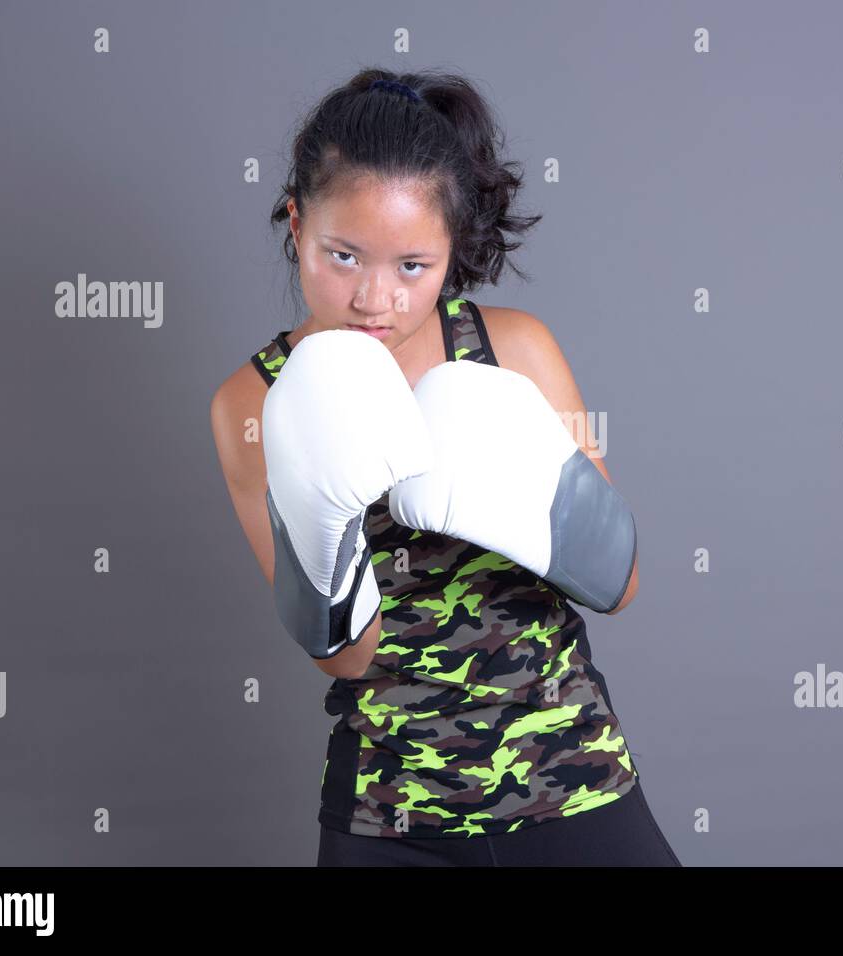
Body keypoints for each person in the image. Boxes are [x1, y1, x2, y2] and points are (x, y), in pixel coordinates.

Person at [210, 69, 679, 867]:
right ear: (297, 224)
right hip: (390, 811)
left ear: (451, 250)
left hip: (572, 774)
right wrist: (324, 526)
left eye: (412, 267)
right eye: (343, 255)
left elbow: (620, 587)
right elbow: (347, 658)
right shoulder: (251, 403)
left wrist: (546, 503)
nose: (374, 299)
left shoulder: (514, 350)